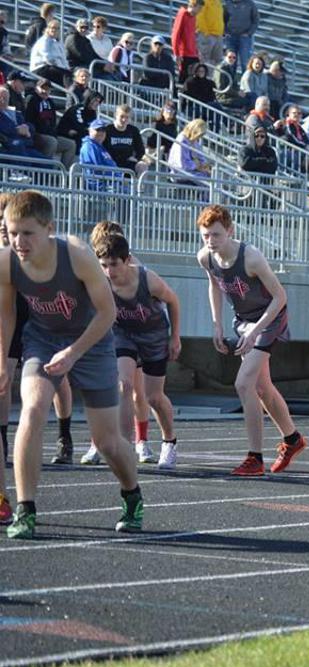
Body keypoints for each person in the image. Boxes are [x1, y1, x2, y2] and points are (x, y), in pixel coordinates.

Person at [1, 191, 143, 539]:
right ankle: (26, 509)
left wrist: (74, 352)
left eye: (27, 233)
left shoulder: (77, 255)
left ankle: (132, 495)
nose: (19, 242)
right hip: (43, 340)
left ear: (49, 228)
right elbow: (6, 314)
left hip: (91, 342)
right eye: (12, 232)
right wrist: (2, 361)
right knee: (32, 409)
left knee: (107, 442)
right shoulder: (6, 262)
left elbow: (108, 313)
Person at [196, 204, 306, 476]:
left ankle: (255, 458)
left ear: (230, 231)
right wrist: (217, 325)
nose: (211, 241)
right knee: (262, 387)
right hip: (244, 321)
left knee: (243, 383)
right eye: (206, 235)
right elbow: (214, 285)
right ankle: (292, 439)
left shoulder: (251, 257)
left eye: (216, 235)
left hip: (270, 318)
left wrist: (256, 330)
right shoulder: (205, 257)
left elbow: (280, 297)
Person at [0, 193, 75, 469]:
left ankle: (64, 434)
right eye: (4, 227)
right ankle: (3, 440)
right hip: (11, 319)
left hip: (40, 318)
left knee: (57, 378)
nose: (8, 232)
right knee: (4, 377)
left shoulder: (36, 249)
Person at [94, 234, 181, 469]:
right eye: (104, 265)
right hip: (124, 334)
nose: (109, 271)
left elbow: (173, 301)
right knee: (124, 385)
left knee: (154, 397)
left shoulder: (148, 279)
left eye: (114, 264)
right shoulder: (101, 282)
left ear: (127, 260)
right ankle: (125, 446)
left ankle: (169, 441)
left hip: (153, 336)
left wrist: (175, 337)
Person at [24, 78, 76, 168]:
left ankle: (63, 173)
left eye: (48, 89)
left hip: (49, 135)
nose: (45, 91)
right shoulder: (31, 99)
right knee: (51, 142)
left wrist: (52, 133)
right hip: (35, 134)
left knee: (71, 144)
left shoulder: (50, 102)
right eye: (42, 88)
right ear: (36, 88)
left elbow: (53, 122)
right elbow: (28, 119)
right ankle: (45, 171)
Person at [103, 104, 149, 176]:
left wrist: (136, 158)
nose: (124, 120)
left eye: (127, 117)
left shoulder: (133, 130)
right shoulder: (107, 129)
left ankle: (139, 184)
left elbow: (141, 149)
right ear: (116, 115)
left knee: (143, 166)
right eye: (122, 116)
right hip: (111, 162)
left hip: (128, 162)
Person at [29, 20, 71, 87]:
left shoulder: (59, 43)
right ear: (47, 29)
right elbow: (48, 59)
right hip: (40, 68)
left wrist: (67, 68)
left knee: (71, 74)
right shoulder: (44, 41)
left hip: (53, 67)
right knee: (65, 75)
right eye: (52, 27)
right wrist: (63, 68)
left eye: (57, 28)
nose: (54, 30)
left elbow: (64, 59)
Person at [171, 0, 203, 85]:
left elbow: (192, 37)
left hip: (193, 55)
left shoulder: (193, 17)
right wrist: (176, 53)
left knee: (194, 81)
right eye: (199, 8)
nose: (200, 11)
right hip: (184, 55)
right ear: (193, 5)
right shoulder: (182, 14)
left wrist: (197, 52)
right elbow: (176, 34)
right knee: (183, 80)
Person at [224, 0, 259, 69]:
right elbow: (223, 19)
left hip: (245, 38)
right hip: (230, 37)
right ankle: (230, 76)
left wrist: (249, 33)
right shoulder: (227, 3)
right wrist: (226, 31)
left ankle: (246, 76)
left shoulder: (250, 3)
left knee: (245, 62)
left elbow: (256, 20)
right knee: (230, 63)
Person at [195, 0, 224, 66]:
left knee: (217, 61)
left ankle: (212, 73)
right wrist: (205, 33)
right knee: (204, 61)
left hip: (218, 35)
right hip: (207, 35)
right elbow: (199, 16)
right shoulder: (204, 1)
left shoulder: (218, 2)